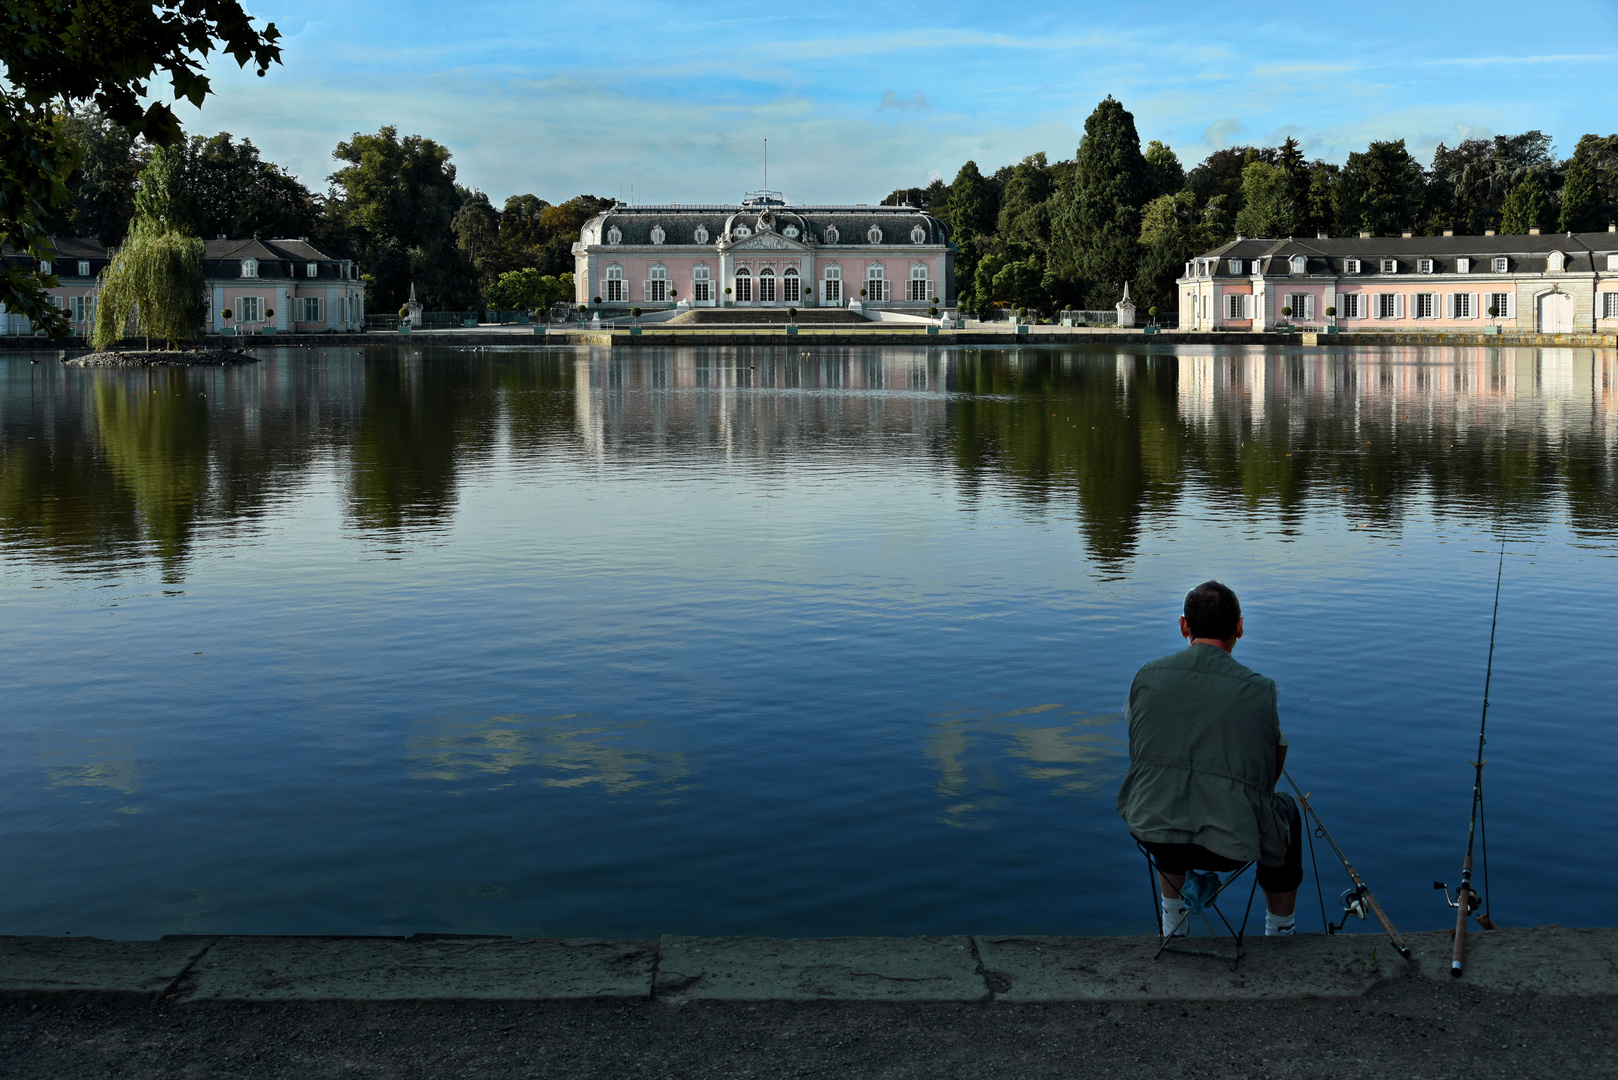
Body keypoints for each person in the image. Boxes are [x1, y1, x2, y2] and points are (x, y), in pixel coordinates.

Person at [1116, 581, 1303, 937]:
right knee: (1287, 811)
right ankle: (1280, 932)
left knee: (1167, 798)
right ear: (1240, 628)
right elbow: (1268, 781)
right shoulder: (1261, 690)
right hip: (1231, 846)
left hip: (1152, 832)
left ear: (1184, 626)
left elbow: (1141, 748)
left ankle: (1173, 924)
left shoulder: (1146, 676)